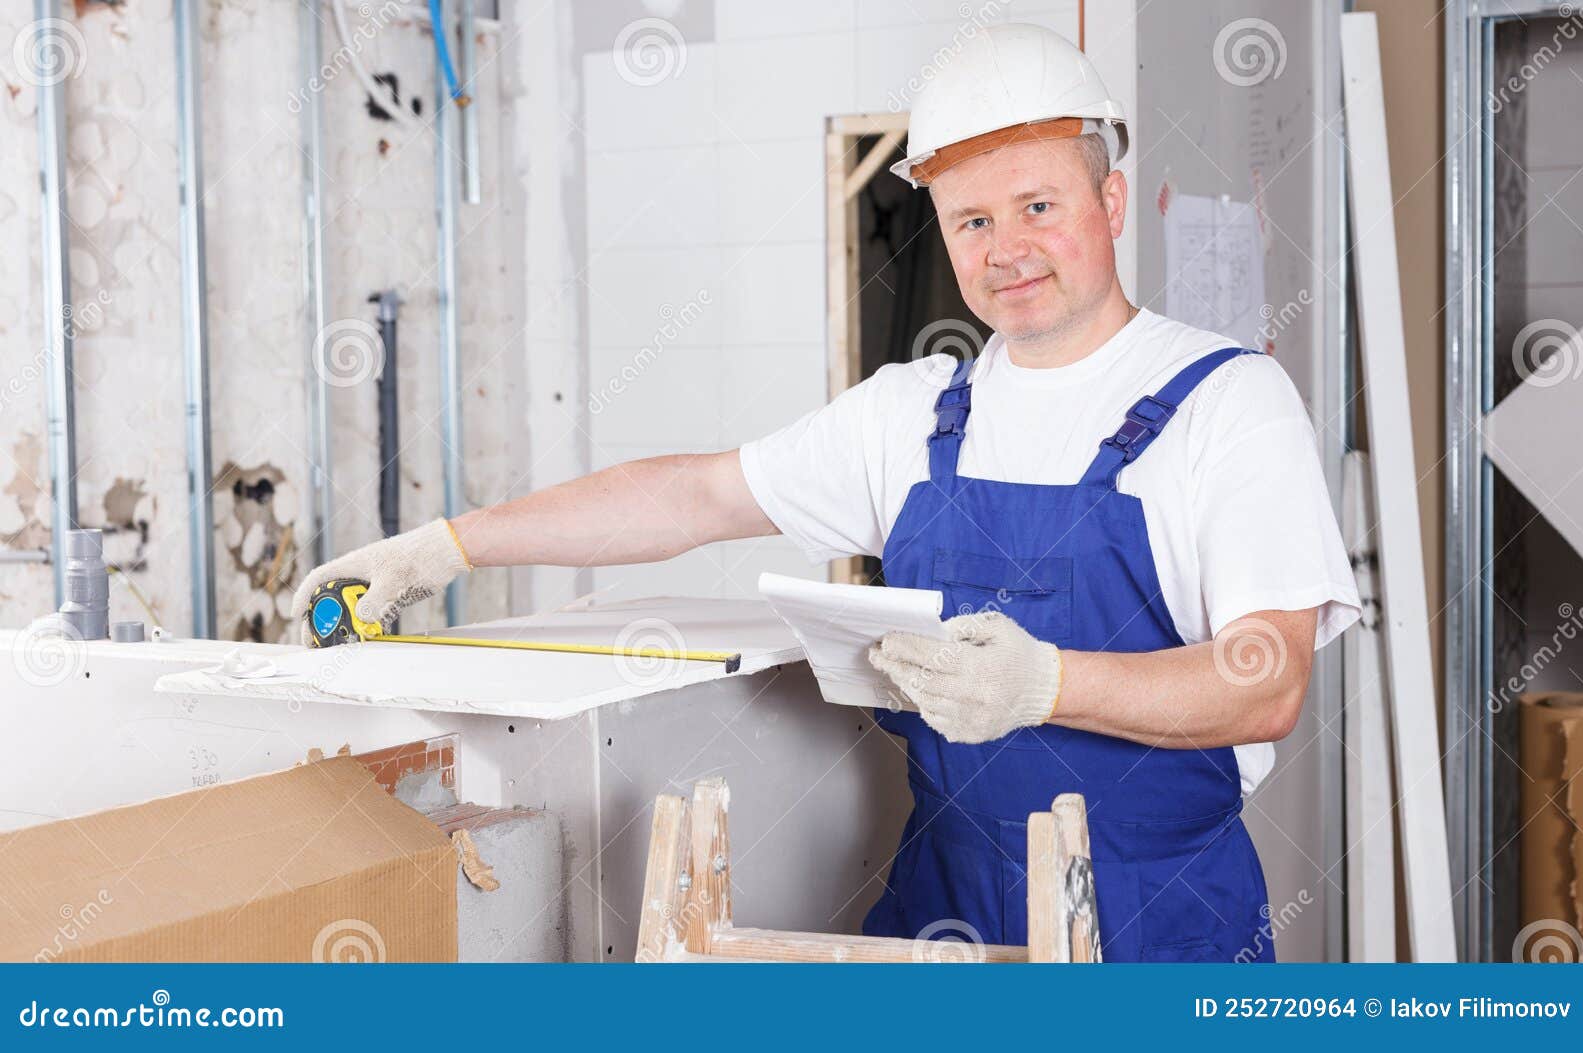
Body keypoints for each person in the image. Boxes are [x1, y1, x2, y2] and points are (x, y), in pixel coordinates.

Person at [292, 24, 1359, 962]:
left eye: (1038, 205)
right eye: (971, 220)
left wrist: (1044, 685)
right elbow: (692, 497)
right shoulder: (914, 414)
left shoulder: (1227, 403)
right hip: (943, 916)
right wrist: (443, 548)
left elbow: (1263, 683)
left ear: (1110, 198)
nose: (1006, 249)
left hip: (1154, 930)